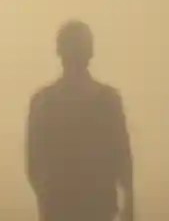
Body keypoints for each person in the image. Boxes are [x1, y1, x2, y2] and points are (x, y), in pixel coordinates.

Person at [26, 20, 135, 221]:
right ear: (91, 52)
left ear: (58, 51)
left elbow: (33, 164)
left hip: (65, 207)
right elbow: (123, 159)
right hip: (87, 207)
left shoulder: (43, 101)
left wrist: (47, 197)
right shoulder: (107, 100)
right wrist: (129, 204)